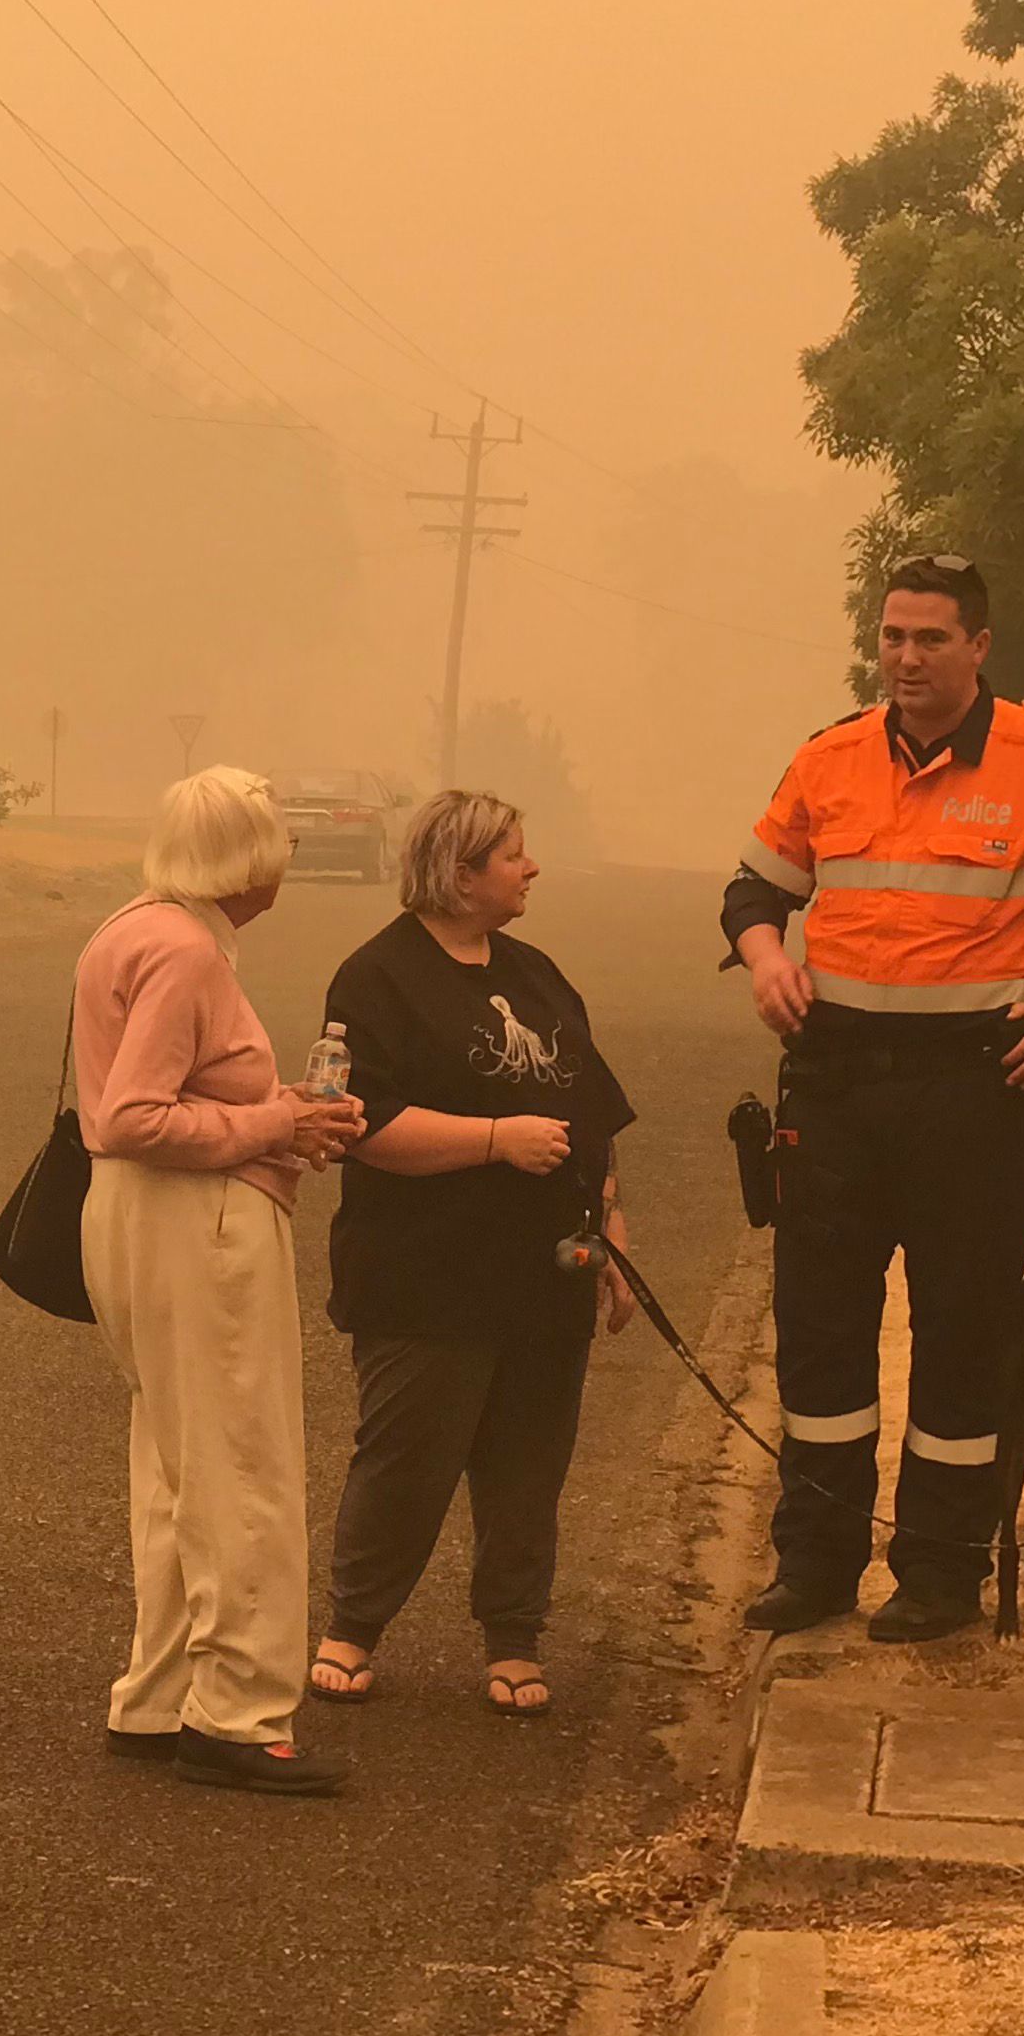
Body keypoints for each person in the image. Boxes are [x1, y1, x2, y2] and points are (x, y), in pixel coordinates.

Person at [722, 556, 1024, 1642]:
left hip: (976, 1092)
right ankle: (818, 1561)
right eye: (892, 637)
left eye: (931, 639)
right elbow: (755, 887)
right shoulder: (831, 755)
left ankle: (941, 1574)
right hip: (835, 1087)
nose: (906, 658)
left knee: (963, 1335)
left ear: (979, 649)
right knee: (820, 1336)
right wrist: (765, 959)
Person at [309, 790, 639, 1722]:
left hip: (545, 1279)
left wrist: (612, 1229)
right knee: (407, 1461)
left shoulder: (538, 976)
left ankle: (514, 1638)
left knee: (529, 1469)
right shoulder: (377, 978)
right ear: (459, 875)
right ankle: (353, 1628)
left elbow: (592, 1121)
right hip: (424, 1278)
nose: (530, 869)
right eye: (512, 856)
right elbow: (361, 1124)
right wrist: (497, 1138)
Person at [74, 765, 368, 1794]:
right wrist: (281, 1121)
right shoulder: (190, 953)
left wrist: (276, 1112)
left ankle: (159, 1696)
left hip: (128, 1219)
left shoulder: (131, 927)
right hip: (195, 1219)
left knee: (172, 1464)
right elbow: (133, 1115)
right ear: (247, 860)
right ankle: (239, 1709)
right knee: (241, 1462)